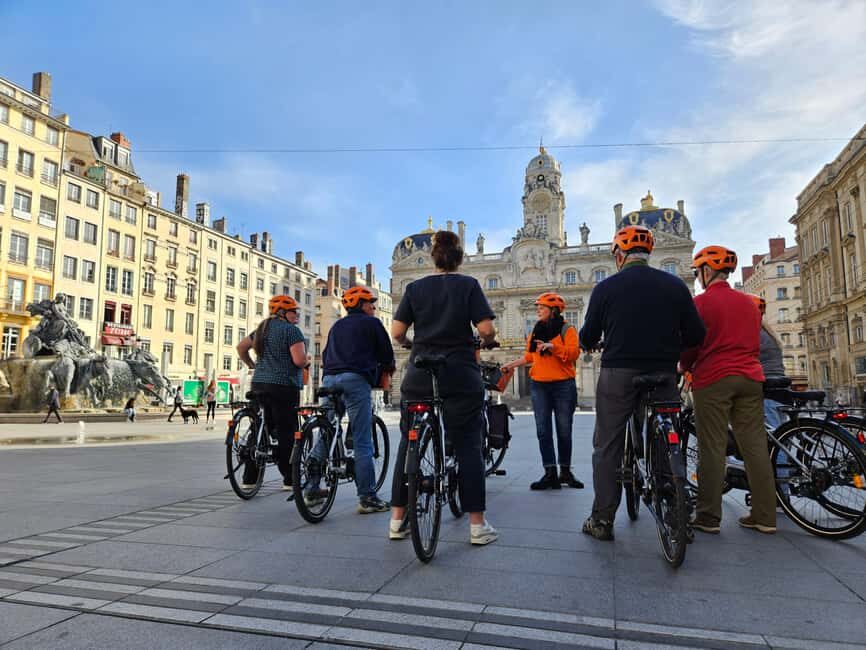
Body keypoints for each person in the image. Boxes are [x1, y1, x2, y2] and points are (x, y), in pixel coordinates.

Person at [579, 225, 705, 541]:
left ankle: (602, 520)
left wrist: (595, 341)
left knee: (607, 445)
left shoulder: (606, 288)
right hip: (663, 373)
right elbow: (696, 335)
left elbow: (588, 335)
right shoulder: (675, 286)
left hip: (618, 373)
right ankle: (675, 505)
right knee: (669, 432)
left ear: (619, 256)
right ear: (647, 254)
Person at [389, 230, 499, 545]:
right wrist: (488, 341)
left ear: (434, 258)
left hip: (420, 373)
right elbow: (486, 328)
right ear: (459, 258)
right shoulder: (468, 285)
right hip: (459, 372)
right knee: (468, 444)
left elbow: (397, 331)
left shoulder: (415, 288)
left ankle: (397, 520)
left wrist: (412, 343)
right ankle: (477, 526)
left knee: (408, 444)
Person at [681, 246, 777, 535]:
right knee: (755, 446)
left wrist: (684, 366)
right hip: (750, 377)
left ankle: (709, 517)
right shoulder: (749, 304)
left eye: (698, 273)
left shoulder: (701, 303)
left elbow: (691, 345)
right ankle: (765, 517)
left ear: (707, 271)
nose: (698, 278)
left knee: (712, 446)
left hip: (714, 378)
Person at [306, 286, 396, 513]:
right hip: (356, 380)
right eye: (370, 303)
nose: (374, 307)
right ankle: (367, 497)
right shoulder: (373, 324)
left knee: (327, 431)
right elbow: (387, 355)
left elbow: (325, 356)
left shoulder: (337, 326)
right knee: (362, 440)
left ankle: (311, 487)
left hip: (329, 380)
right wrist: (386, 372)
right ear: (362, 305)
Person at [502, 292, 583, 490]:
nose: (538, 310)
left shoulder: (567, 329)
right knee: (542, 431)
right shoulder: (535, 331)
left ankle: (565, 471)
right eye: (537, 307)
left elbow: (574, 353)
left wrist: (553, 347)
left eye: (542, 307)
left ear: (553, 310)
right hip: (539, 386)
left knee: (564, 431)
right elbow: (530, 357)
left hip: (563, 385)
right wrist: (510, 365)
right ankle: (550, 473)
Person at [237, 295, 306, 490]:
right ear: (283, 313)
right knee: (286, 431)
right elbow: (299, 361)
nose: (297, 316)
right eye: (294, 312)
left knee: (259, 427)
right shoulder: (291, 331)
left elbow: (241, 347)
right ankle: (289, 479)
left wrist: (252, 365)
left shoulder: (262, 329)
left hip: (258, 383)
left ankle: (249, 478)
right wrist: (306, 361)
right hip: (283, 386)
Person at [749, 294, 788, 431]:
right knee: (782, 433)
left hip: (768, 388)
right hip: (781, 385)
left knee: (775, 434)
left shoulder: (753, 334)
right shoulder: (768, 333)